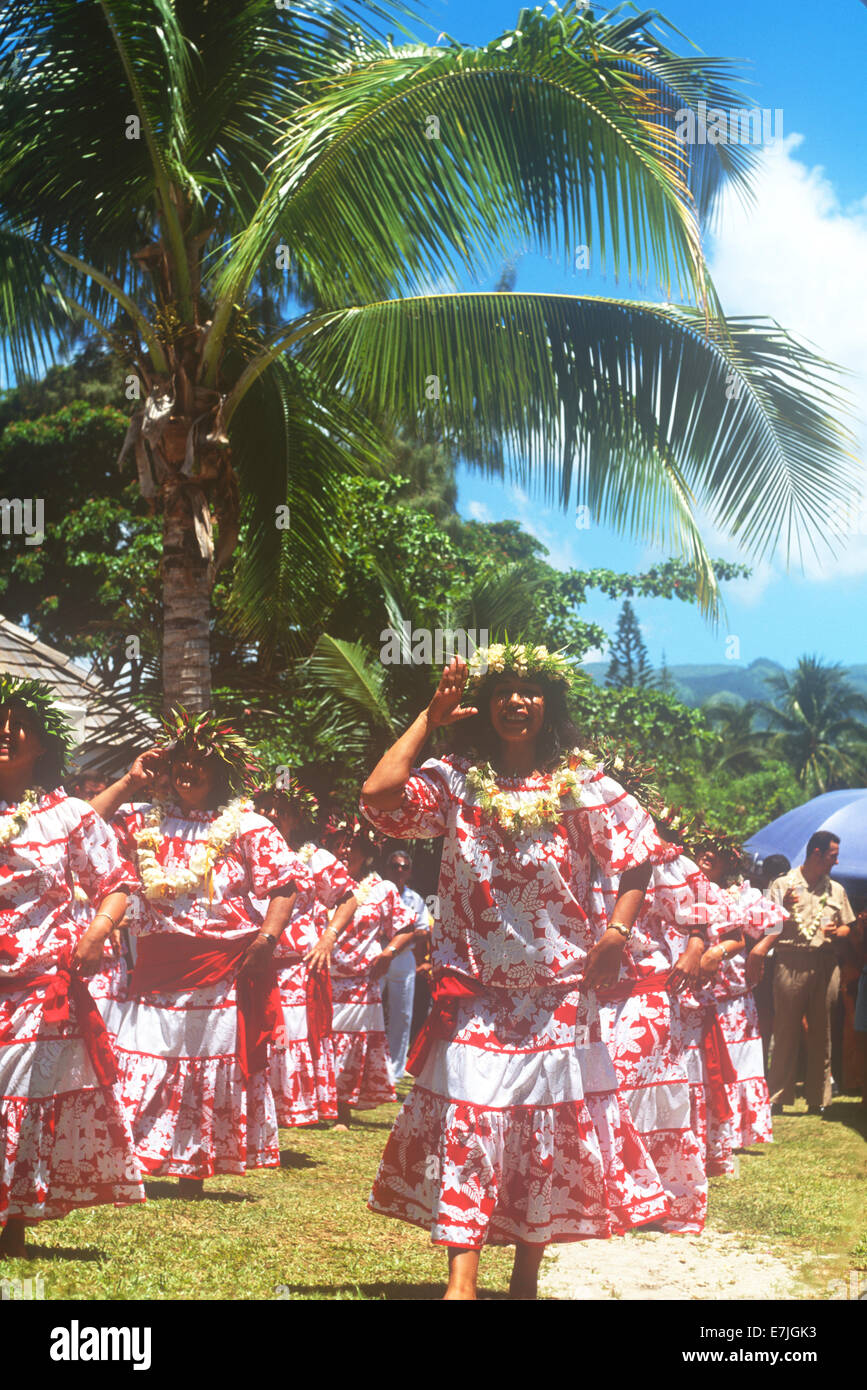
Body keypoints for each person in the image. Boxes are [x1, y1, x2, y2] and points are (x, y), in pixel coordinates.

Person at [360, 646, 679, 1300]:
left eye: (529, 689)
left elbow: (639, 854)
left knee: (540, 1130)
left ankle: (526, 1278)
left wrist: (616, 931)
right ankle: (462, 1282)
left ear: (547, 705)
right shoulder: (453, 778)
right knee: (472, 1122)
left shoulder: (581, 784)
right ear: (488, 705)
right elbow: (378, 796)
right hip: (473, 987)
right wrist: (429, 717)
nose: (515, 700)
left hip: (557, 992)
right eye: (503, 689)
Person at [91, 711, 311, 1195]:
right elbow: (85, 823)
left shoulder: (248, 825)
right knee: (147, 1054)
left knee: (199, 1061)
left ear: (222, 773)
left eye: (200, 763)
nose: (187, 770)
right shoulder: (144, 817)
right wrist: (131, 780)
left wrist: (266, 939)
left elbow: (286, 885)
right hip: (154, 961)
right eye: (181, 761)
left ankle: (193, 1163)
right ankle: (140, 1156)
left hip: (219, 968)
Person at [0, 676, 144, 1258]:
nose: (7, 734)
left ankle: (14, 1221)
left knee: (21, 1100)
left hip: (39, 986)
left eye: (20, 725)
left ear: (42, 743)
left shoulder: (68, 817)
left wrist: (97, 931)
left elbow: (118, 884)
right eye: (0, 722)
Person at [254, 776, 358, 1127]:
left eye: (280, 811)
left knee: (288, 1042)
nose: (270, 814)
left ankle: (285, 1115)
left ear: (296, 818)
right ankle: (257, 1115)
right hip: (253, 962)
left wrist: (328, 938)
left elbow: (347, 898)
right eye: (265, 806)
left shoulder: (314, 858)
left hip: (295, 967)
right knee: (257, 1039)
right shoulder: (246, 847)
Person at [695, 840, 785, 1173]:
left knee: (736, 1063)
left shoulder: (741, 895)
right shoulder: (685, 886)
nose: (707, 855)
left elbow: (776, 922)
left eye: (715, 852)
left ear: (729, 861)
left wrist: (759, 952)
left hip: (732, 997)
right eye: (702, 849)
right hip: (696, 997)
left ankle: (731, 1132)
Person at [320, 823, 416, 1129]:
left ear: (368, 852)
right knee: (319, 1041)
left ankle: (343, 1111)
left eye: (352, 845)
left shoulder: (382, 890)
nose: (344, 850)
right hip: (320, 976)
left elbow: (407, 929)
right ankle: (312, 1106)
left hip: (361, 982)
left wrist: (388, 954)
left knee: (352, 1045)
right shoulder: (318, 884)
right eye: (338, 843)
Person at [766, 832, 854, 1115]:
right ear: (816, 853)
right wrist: (783, 909)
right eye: (832, 856)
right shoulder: (782, 885)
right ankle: (778, 1097)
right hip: (790, 960)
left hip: (826, 963)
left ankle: (819, 1099)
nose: (836, 861)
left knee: (822, 1030)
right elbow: (767, 928)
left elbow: (847, 927)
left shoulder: (836, 889)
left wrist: (838, 931)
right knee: (786, 1029)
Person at [381, 851, 430, 1082]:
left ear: (409, 871)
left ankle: (395, 1071)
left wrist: (399, 938)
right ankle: (370, 1066)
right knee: (371, 1009)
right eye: (394, 866)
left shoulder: (415, 899)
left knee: (402, 1014)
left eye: (404, 867)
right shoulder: (376, 893)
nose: (399, 870)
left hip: (403, 959)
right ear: (387, 868)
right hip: (378, 955)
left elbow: (424, 931)